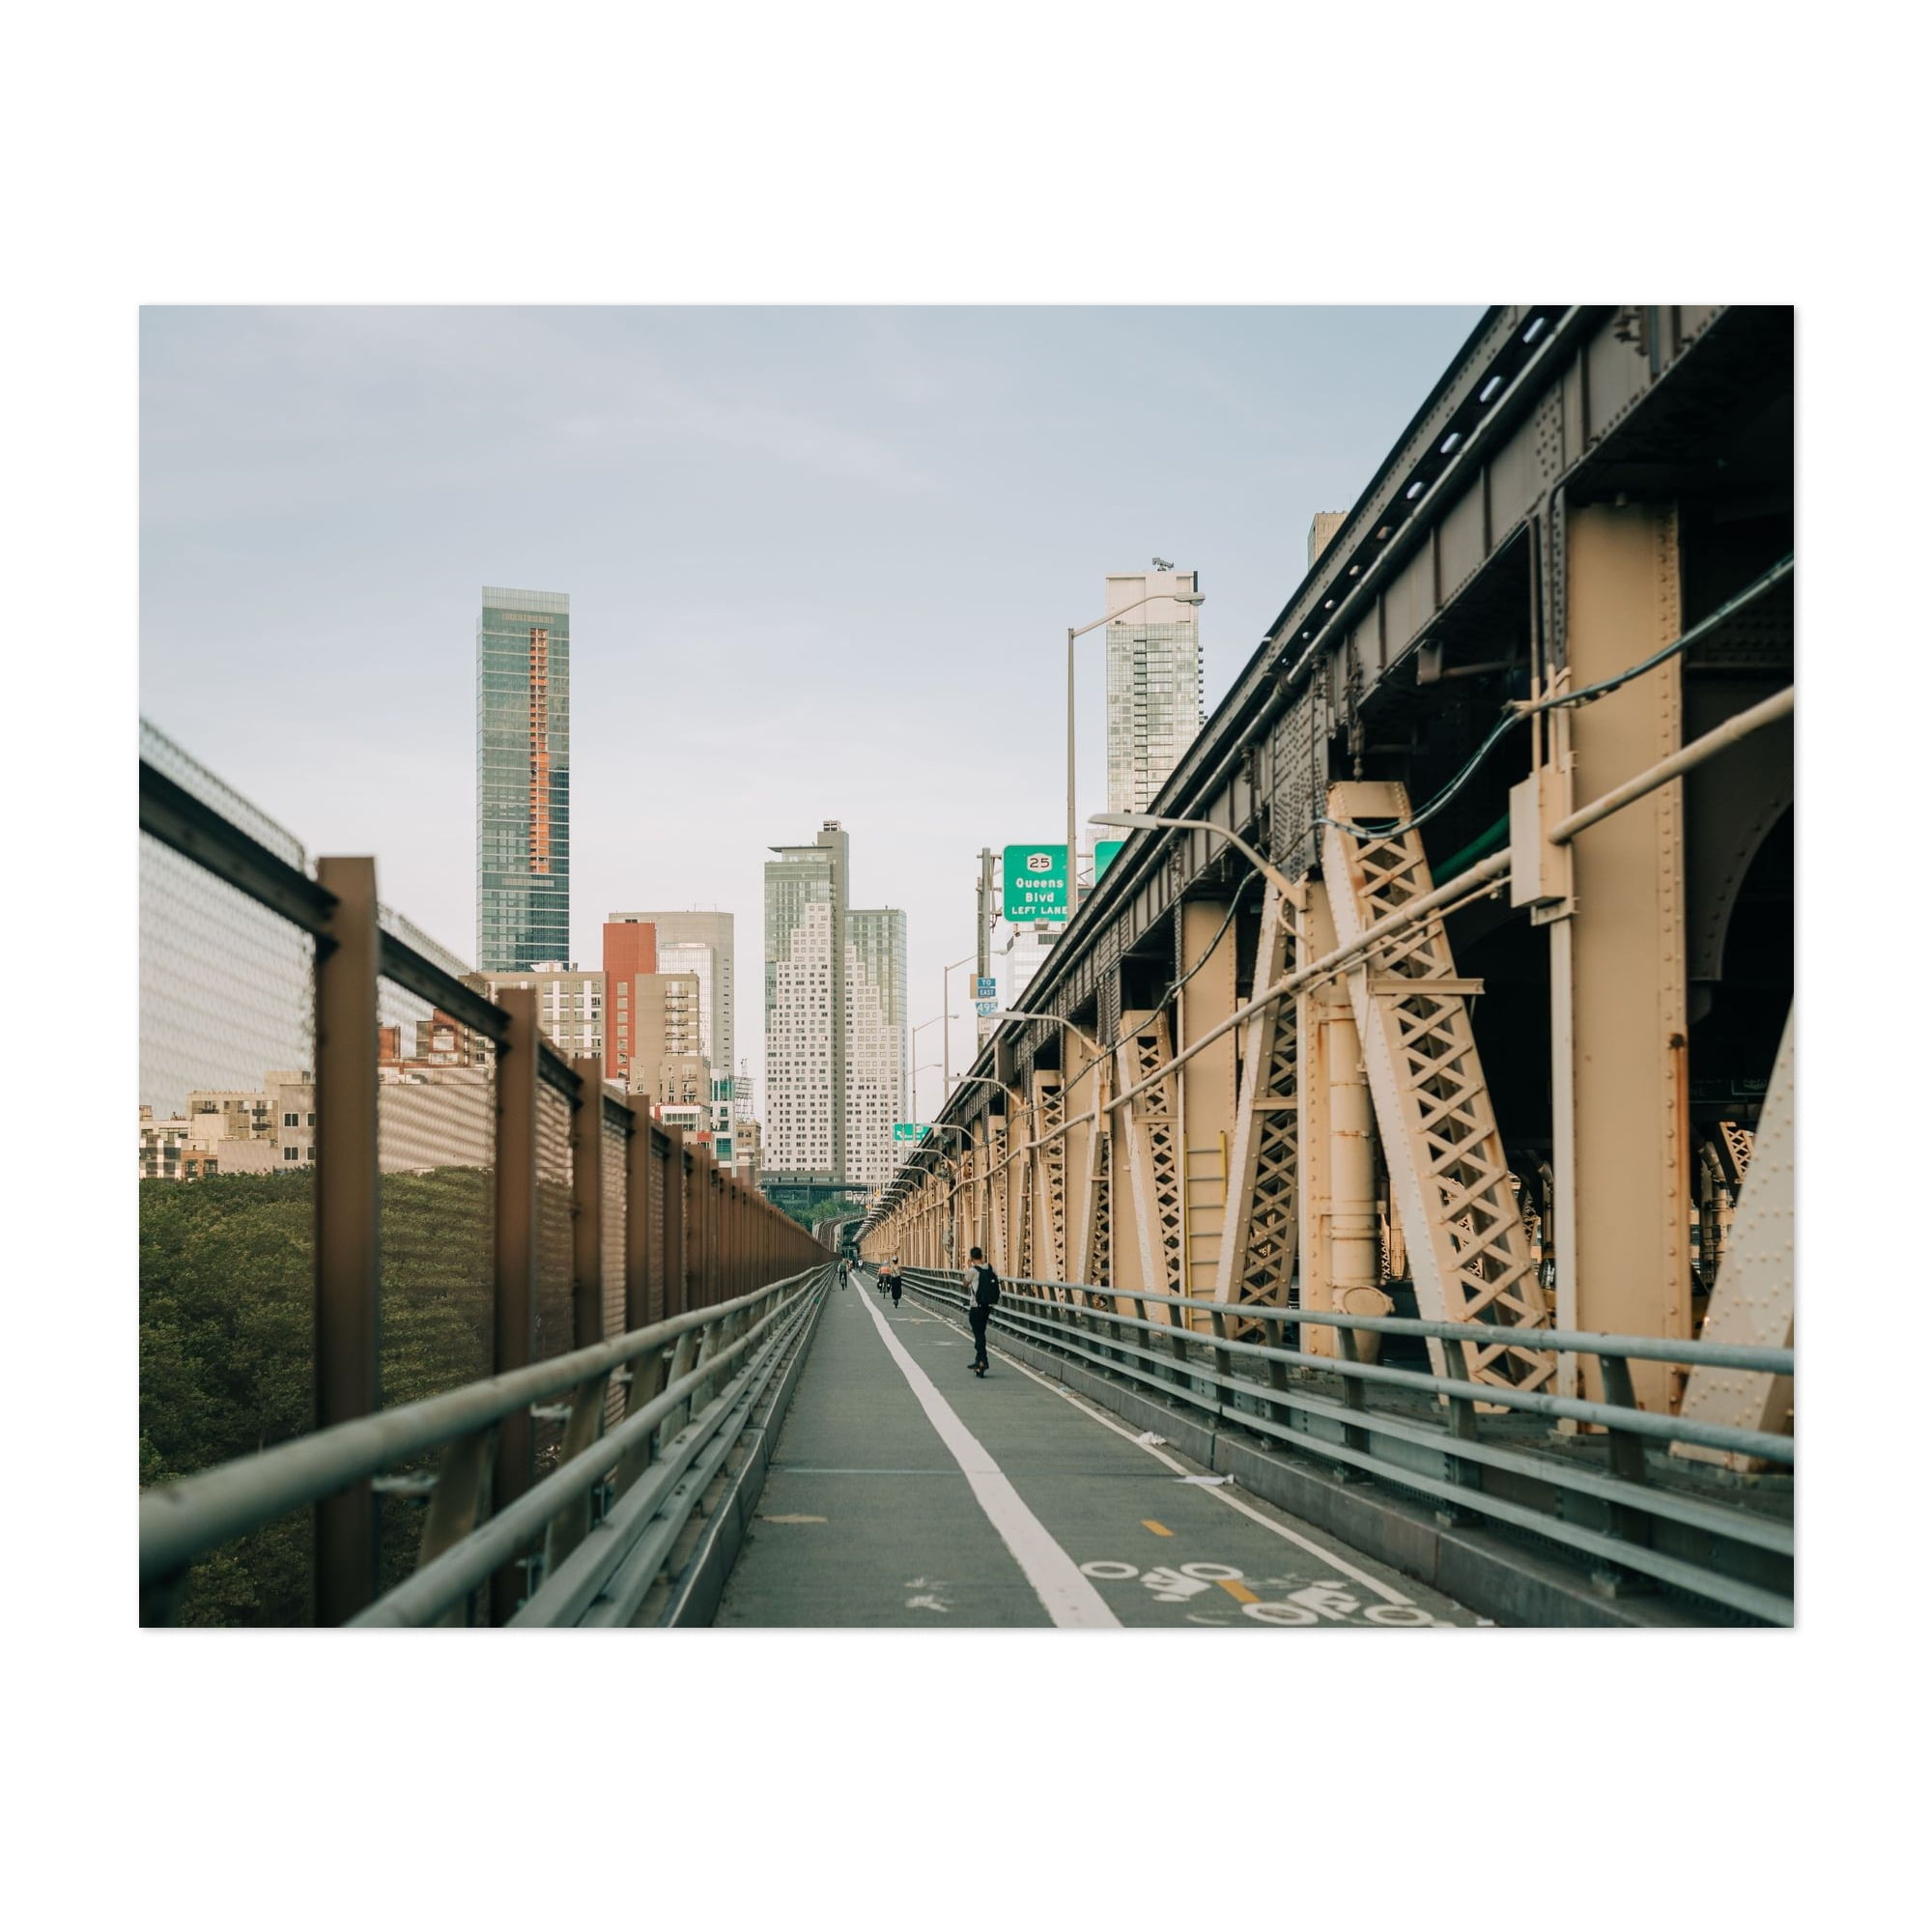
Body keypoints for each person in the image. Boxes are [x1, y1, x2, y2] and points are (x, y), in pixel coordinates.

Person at [964, 1246, 1000, 1377]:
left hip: (976, 1306)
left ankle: (982, 1361)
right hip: (987, 1306)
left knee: (978, 1334)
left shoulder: (972, 1271)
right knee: (981, 1333)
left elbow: (965, 1284)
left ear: (972, 1257)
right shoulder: (990, 1268)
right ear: (982, 1256)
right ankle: (979, 1360)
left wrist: (969, 1267)